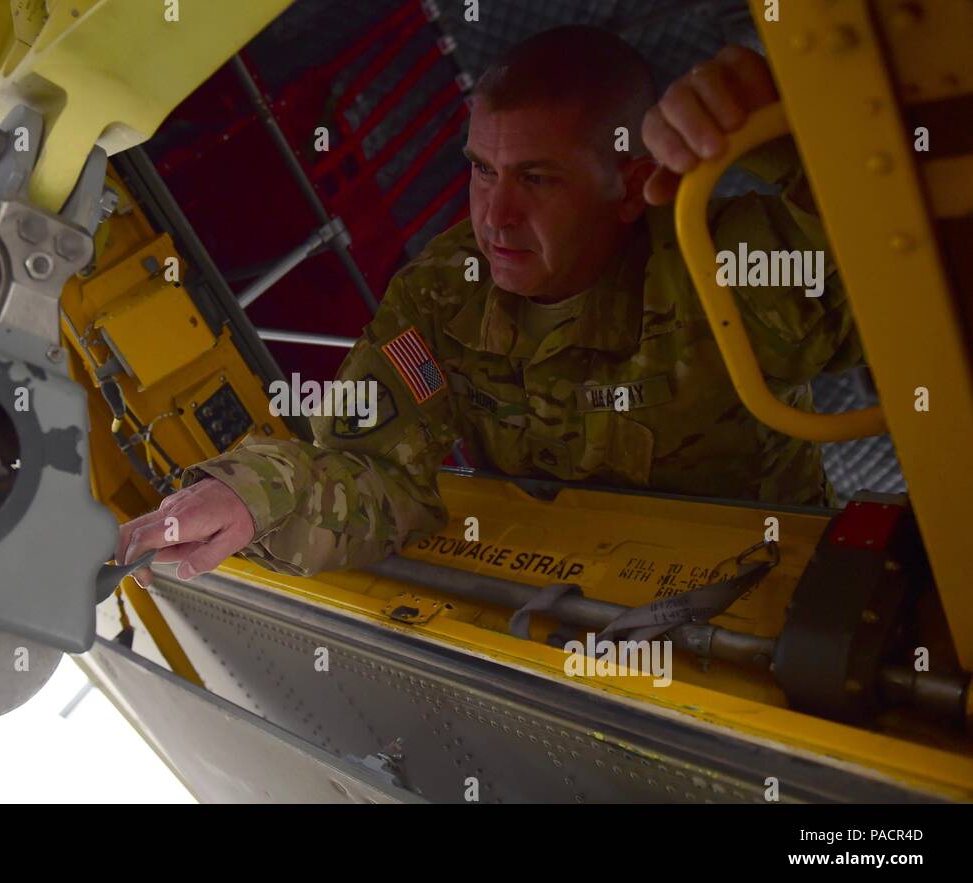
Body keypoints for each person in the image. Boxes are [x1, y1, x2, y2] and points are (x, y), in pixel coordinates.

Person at [117, 25, 863, 585]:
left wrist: (792, 139)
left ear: (630, 186)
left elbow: (914, 301)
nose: (494, 217)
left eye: (537, 180)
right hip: (567, 604)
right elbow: (378, 471)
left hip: (775, 596)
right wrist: (257, 500)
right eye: (481, 171)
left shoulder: (723, 269)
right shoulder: (442, 296)